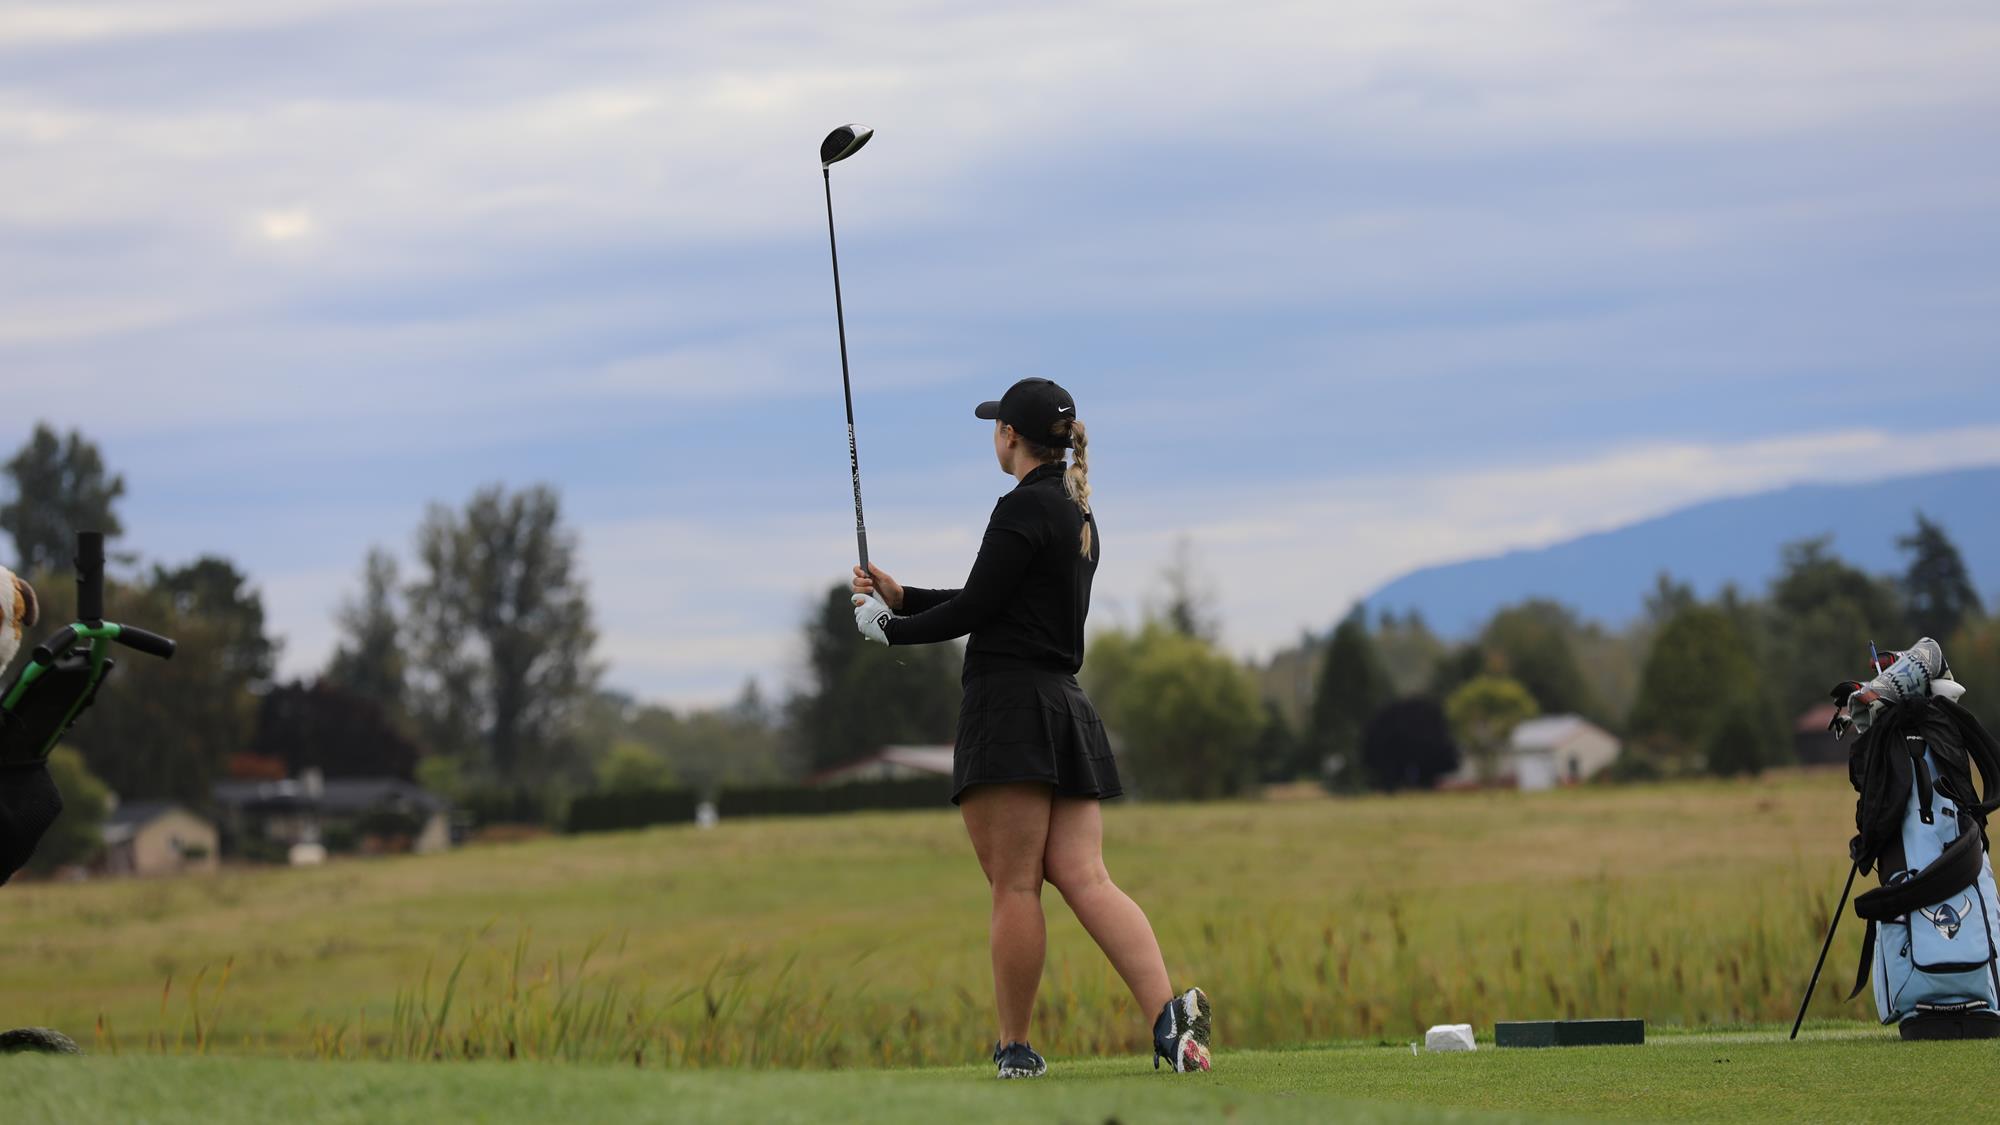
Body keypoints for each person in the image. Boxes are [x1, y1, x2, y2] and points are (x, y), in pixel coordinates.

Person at [848, 377, 1211, 1078]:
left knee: (1015, 885)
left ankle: (1015, 1046)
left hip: (1010, 713)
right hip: (1062, 707)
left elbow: (979, 608)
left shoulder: (1019, 509)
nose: (994, 435)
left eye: (996, 427)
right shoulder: (1075, 511)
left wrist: (890, 631)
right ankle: (1168, 1022)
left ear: (1010, 437)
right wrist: (904, 596)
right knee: (1087, 877)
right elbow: (993, 598)